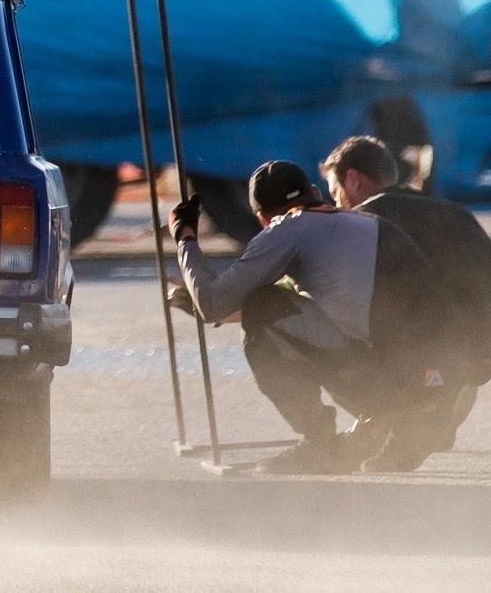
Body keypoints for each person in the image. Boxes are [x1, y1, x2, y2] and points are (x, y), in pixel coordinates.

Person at [168, 158, 443, 476]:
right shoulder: (363, 222)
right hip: (438, 384)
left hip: (393, 388)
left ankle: (321, 445)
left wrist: (184, 236)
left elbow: (212, 305)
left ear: (263, 219)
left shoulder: (289, 226)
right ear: (314, 191)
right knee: (297, 311)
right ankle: (376, 427)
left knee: (263, 306)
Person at [323, 133, 491, 461]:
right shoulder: (449, 210)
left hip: (443, 348)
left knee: (323, 328)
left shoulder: (363, 221)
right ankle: (439, 400)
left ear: (353, 180)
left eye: (335, 193)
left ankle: (407, 416)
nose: (336, 204)